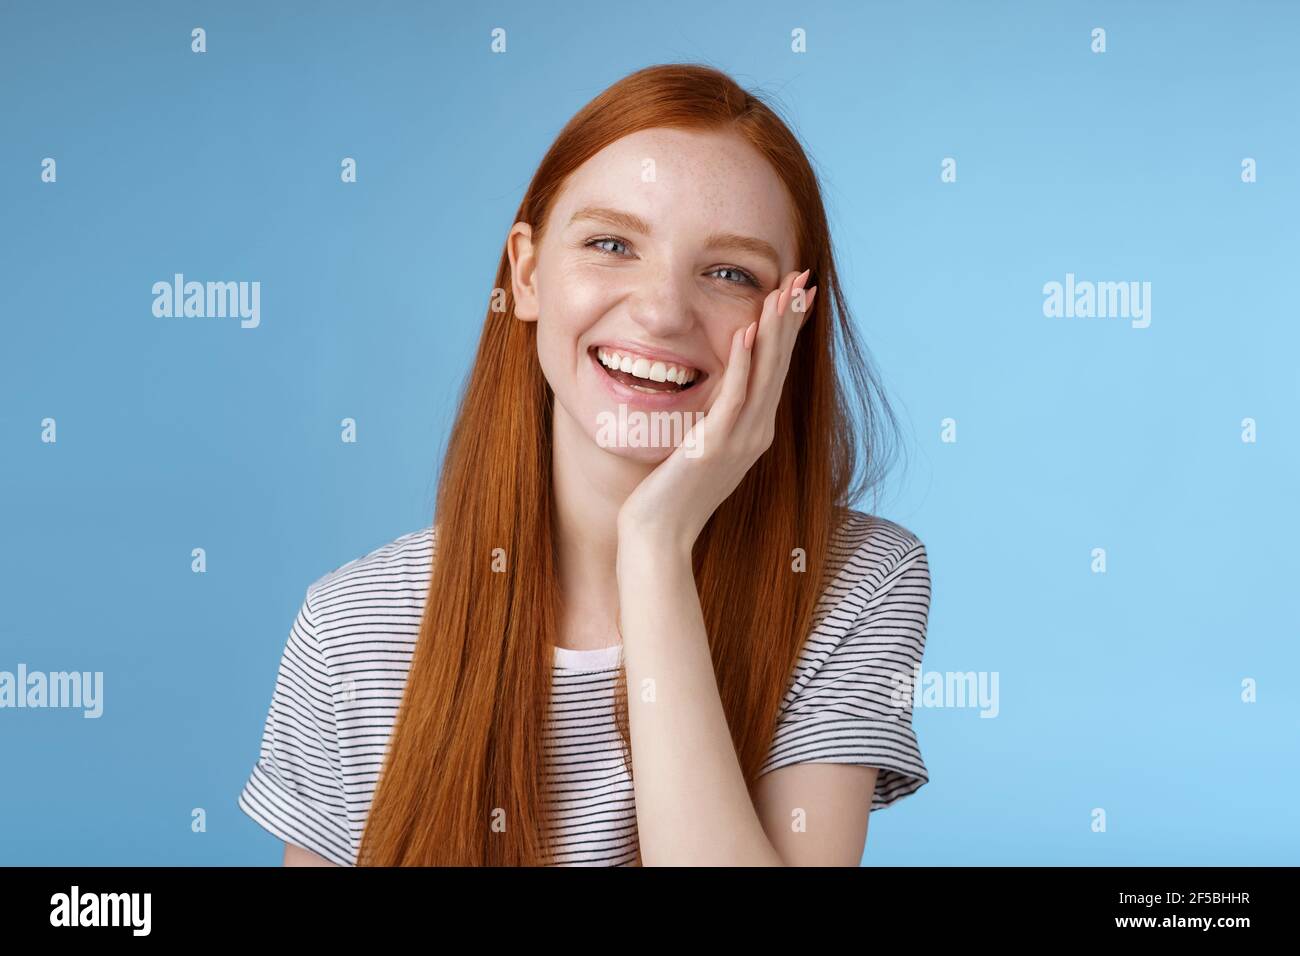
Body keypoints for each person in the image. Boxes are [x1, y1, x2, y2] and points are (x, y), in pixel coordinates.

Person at [238, 62, 932, 867]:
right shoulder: (350, 631)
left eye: (731, 273)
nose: (663, 310)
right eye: (612, 244)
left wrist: (655, 545)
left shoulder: (855, 583)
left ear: (791, 319)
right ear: (527, 275)